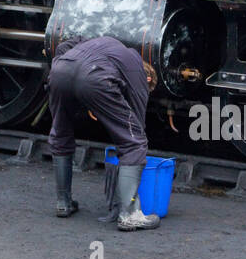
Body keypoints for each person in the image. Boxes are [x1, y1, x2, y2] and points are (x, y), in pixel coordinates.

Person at [47, 36, 161, 231]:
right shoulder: (138, 73)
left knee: (61, 132)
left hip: (59, 71)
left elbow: (65, 45)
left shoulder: (108, 45)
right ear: (148, 78)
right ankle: (130, 214)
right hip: (94, 77)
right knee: (135, 142)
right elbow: (135, 126)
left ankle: (63, 203)